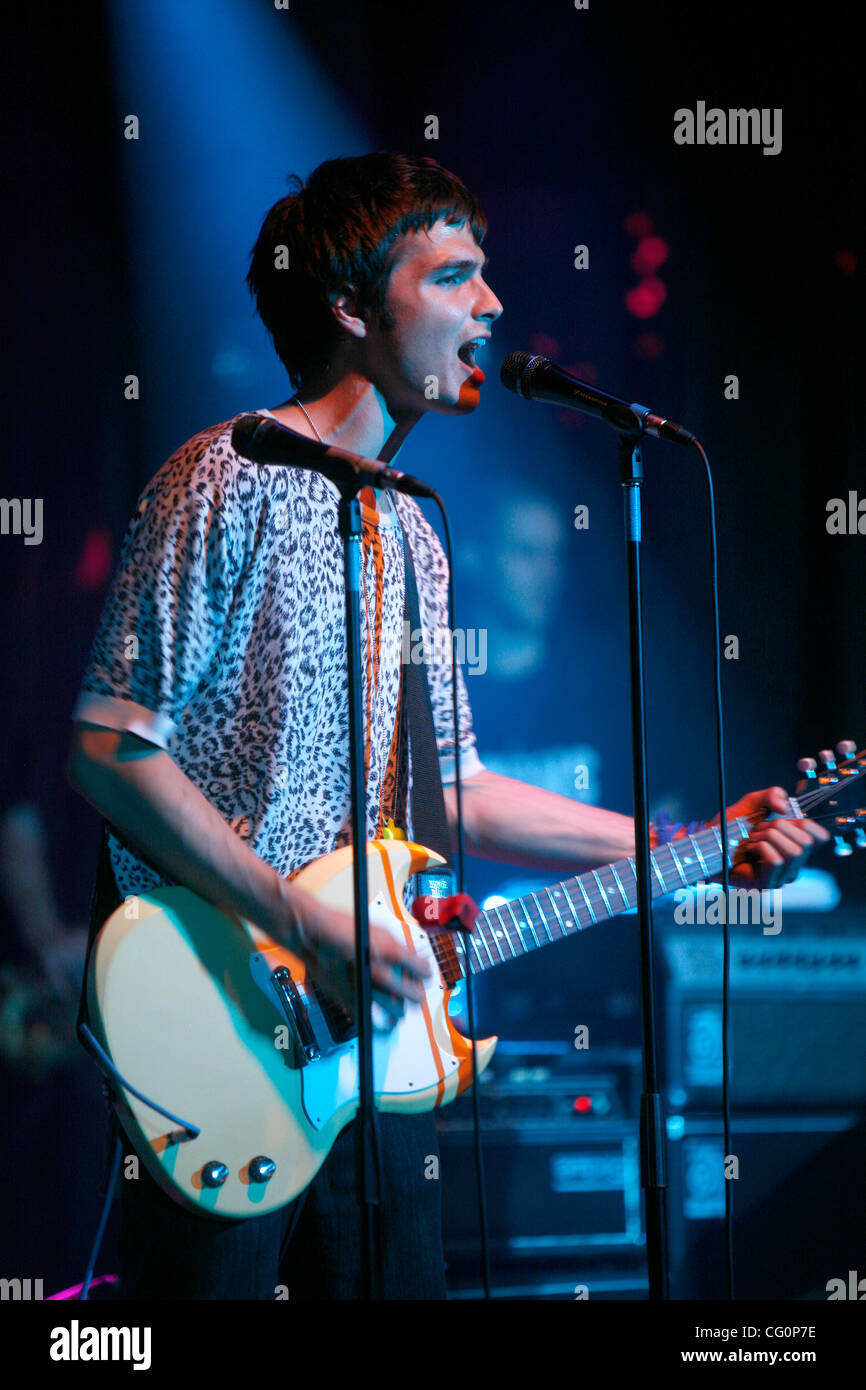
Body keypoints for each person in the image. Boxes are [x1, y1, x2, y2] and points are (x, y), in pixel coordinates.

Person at [66, 152, 829, 1300]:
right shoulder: (221, 477)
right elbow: (109, 745)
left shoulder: (412, 528)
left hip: (365, 1041)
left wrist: (696, 840)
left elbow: (450, 791)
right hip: (217, 1015)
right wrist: (296, 919)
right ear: (351, 308)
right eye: (456, 277)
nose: (492, 306)